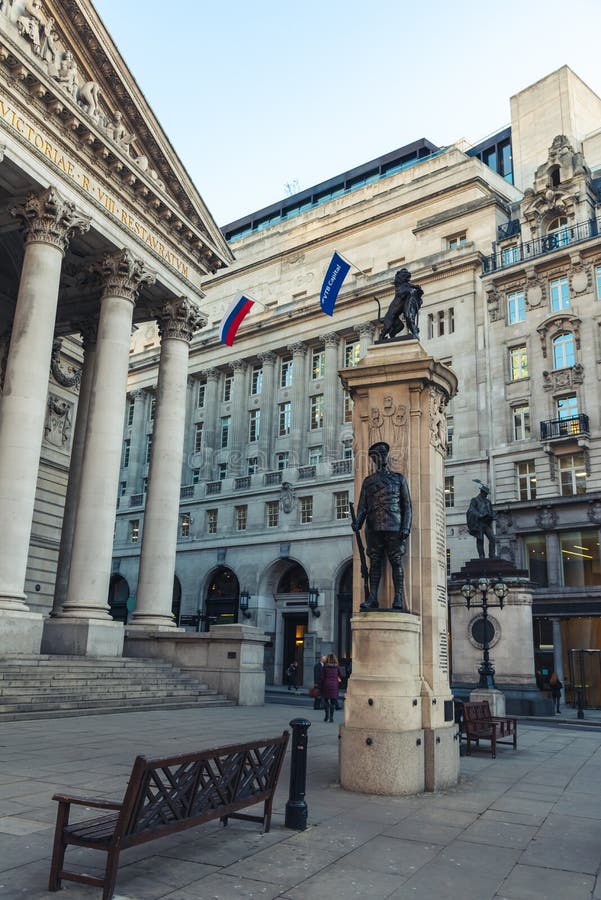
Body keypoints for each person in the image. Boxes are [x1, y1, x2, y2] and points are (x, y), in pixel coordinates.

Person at [352, 442, 412, 611]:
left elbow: (407, 506)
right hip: (373, 527)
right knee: (375, 563)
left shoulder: (398, 478)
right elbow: (362, 506)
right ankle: (372, 598)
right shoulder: (368, 481)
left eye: (382, 454)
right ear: (373, 460)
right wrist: (357, 523)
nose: (380, 458)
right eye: (376, 456)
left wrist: (406, 528)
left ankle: (398, 598)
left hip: (394, 526)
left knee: (396, 561)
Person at [379, 268, 423, 340]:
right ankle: (382, 336)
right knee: (388, 326)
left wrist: (416, 288)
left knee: (400, 326)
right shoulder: (399, 288)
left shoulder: (406, 285)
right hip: (392, 315)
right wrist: (410, 290)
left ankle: (392, 334)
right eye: (404, 274)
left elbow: (410, 288)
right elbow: (402, 293)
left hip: (397, 315)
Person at [466, 483, 496, 559]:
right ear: (482, 492)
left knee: (492, 538)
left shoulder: (488, 502)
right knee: (480, 539)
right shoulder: (475, 500)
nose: (486, 495)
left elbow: (491, 511)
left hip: (486, 523)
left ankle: (491, 554)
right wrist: (480, 515)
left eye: (486, 493)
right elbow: (471, 510)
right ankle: (481, 555)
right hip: (478, 523)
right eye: (485, 493)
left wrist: (492, 516)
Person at [319, 653, 345, 723]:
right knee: (333, 703)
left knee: (326, 701)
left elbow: (322, 678)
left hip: (326, 685)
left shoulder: (325, 667)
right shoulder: (337, 667)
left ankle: (326, 716)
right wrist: (338, 677)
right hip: (334, 686)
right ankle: (331, 718)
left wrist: (320, 687)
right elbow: (342, 675)